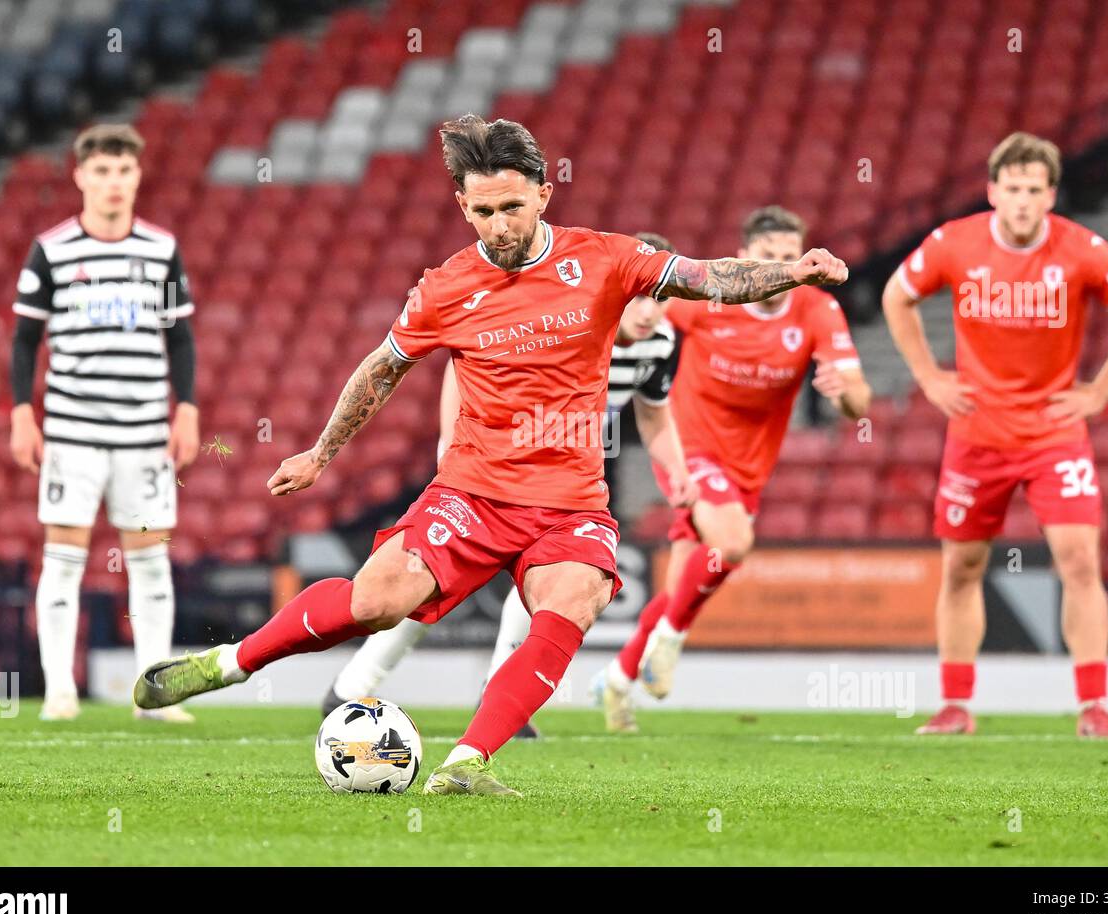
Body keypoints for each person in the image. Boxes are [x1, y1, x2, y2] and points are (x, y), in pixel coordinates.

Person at [134, 114, 848, 796]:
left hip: (569, 499)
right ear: (461, 206)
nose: (498, 226)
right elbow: (381, 369)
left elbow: (706, 278)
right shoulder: (447, 286)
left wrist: (793, 274)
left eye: (511, 207)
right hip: (472, 492)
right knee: (376, 603)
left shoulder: (604, 257)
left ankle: (468, 760)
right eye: (481, 213)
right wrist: (322, 453)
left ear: (544, 191)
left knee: (577, 595)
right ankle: (227, 663)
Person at [321, 234, 693, 735]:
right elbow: (466, 365)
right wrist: (449, 445)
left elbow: (653, 417)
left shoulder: (661, 345)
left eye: (661, 299)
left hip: (566, 478)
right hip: (490, 465)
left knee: (544, 581)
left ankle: (499, 693)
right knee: (430, 579)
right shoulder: (572, 313)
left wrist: (678, 475)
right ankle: (353, 684)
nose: (649, 312)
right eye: (640, 297)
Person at [882, 132, 1108, 737]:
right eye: (1012, 189)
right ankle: (955, 705)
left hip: (1053, 434)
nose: (1023, 202)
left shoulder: (1082, 249)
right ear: (992, 191)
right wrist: (928, 377)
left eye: (1035, 190)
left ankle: (1094, 706)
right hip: (976, 434)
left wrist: (1099, 392)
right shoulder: (954, 242)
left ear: (1051, 195)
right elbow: (895, 296)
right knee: (961, 567)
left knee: (1080, 560)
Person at [599, 206, 871, 731]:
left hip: (749, 468)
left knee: (679, 587)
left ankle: (617, 677)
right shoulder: (710, 299)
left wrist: (845, 398)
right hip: (688, 449)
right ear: (745, 258)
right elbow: (639, 315)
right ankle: (673, 638)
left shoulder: (816, 310)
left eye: (791, 257)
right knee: (736, 543)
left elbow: (859, 399)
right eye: (769, 257)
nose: (782, 267)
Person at [11, 123, 198, 722]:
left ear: (137, 176)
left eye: (123, 171)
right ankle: (60, 690)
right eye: (102, 171)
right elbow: (23, 340)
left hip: (144, 433)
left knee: (149, 560)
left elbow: (182, 337)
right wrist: (22, 414)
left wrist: (187, 408)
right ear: (80, 176)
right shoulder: (53, 249)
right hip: (71, 431)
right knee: (62, 557)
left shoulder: (161, 249)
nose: (113, 182)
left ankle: (154, 696)